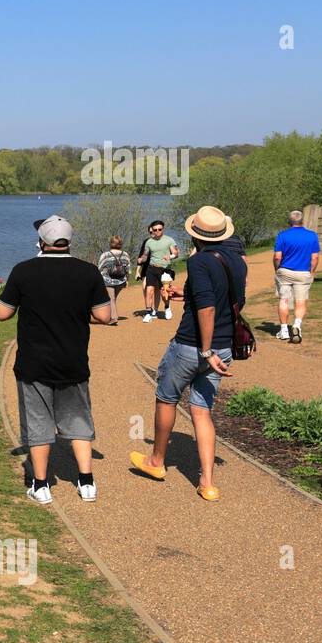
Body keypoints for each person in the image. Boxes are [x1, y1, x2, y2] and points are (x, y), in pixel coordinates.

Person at [130, 206, 247, 502]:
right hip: (223, 346)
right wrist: (187, 294)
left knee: (167, 397)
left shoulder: (199, 262)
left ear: (197, 234)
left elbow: (207, 308)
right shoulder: (236, 262)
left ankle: (156, 461)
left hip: (193, 345)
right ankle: (207, 482)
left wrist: (205, 350)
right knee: (202, 409)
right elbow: (228, 301)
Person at [0, 216, 112, 504]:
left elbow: (2, 313)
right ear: (69, 241)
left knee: (38, 424)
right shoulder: (88, 272)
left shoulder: (24, 271)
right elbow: (105, 316)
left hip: (34, 362)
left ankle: (41, 485)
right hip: (73, 360)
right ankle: (86, 483)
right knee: (79, 421)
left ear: (42, 242)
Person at [272, 209, 322, 344]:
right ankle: (297, 325)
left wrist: (277, 269)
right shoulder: (312, 236)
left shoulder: (282, 235)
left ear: (289, 221)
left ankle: (283, 330)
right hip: (303, 272)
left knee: (284, 299)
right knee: (301, 301)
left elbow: (277, 256)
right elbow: (315, 257)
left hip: (285, 271)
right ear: (302, 221)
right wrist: (312, 271)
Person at [137, 220, 180, 322]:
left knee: (164, 291)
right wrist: (141, 259)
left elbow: (176, 252)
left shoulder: (169, 240)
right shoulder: (149, 242)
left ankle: (167, 307)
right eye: (155, 230)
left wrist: (171, 256)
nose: (157, 231)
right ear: (152, 230)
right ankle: (148, 313)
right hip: (151, 268)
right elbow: (145, 255)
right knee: (149, 290)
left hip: (164, 269)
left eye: (159, 229)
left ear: (163, 229)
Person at [97, 236, 131, 324]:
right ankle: (112, 314)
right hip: (121, 280)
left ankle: (113, 317)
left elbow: (100, 267)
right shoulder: (125, 254)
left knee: (110, 298)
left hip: (108, 280)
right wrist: (127, 280)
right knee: (113, 298)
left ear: (110, 244)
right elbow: (128, 269)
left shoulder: (105, 255)